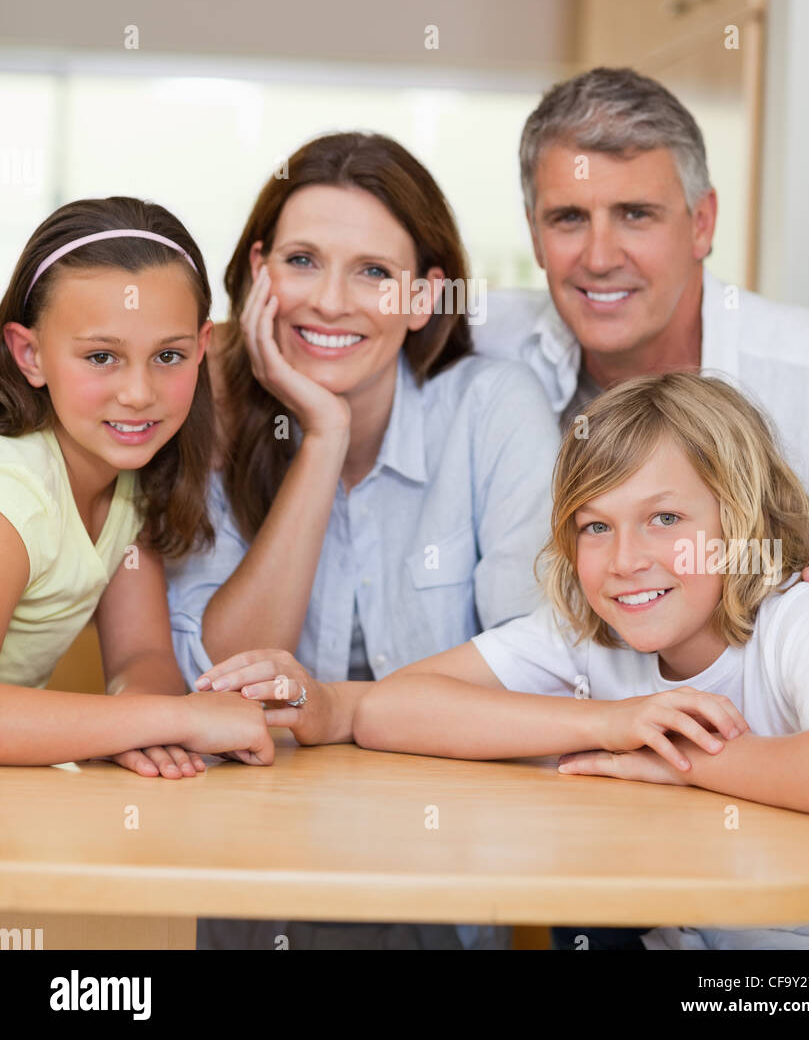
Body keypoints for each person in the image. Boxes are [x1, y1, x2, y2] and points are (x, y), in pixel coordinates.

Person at [166, 131, 561, 950]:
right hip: (250, 868)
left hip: (439, 873)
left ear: (425, 299)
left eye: (374, 272)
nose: (331, 302)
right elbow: (228, 679)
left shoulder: (493, 410)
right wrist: (322, 437)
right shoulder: (209, 419)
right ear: (257, 273)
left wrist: (338, 712)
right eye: (303, 261)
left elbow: (538, 665)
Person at [318, 370, 809, 950]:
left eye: (665, 519)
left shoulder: (807, 615)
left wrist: (684, 759)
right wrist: (611, 722)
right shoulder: (589, 630)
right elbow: (388, 710)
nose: (625, 561)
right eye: (596, 526)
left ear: (742, 518)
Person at [475, 67, 809, 619]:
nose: (600, 257)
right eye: (568, 218)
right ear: (536, 236)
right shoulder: (481, 346)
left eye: (635, 215)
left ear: (702, 223)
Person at [0, 196, 273, 772]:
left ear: (202, 350)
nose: (139, 393)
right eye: (102, 357)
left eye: (168, 355)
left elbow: (142, 654)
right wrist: (167, 719)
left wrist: (143, 719)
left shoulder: (131, 479)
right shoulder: (14, 494)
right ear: (30, 354)